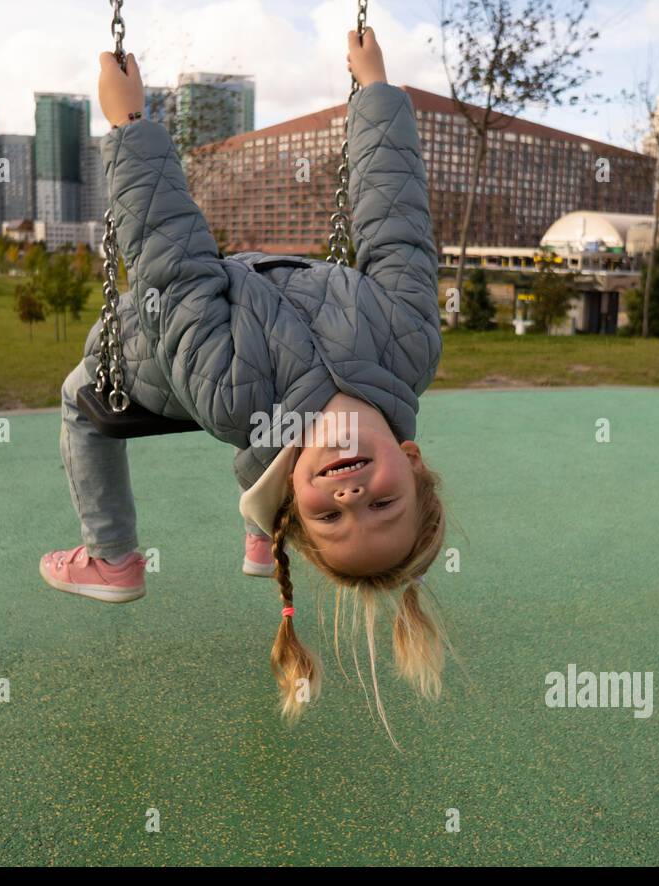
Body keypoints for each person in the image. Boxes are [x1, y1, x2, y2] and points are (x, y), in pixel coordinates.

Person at [40, 30, 447, 729]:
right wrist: (377, 91)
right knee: (281, 436)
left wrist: (130, 128)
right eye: (380, 506)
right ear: (409, 464)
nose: (351, 496)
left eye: (331, 516)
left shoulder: (232, 392)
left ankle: (112, 557)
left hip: (158, 352)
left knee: (83, 404)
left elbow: (175, 266)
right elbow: (396, 220)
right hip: (263, 332)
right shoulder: (408, 345)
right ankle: (267, 533)